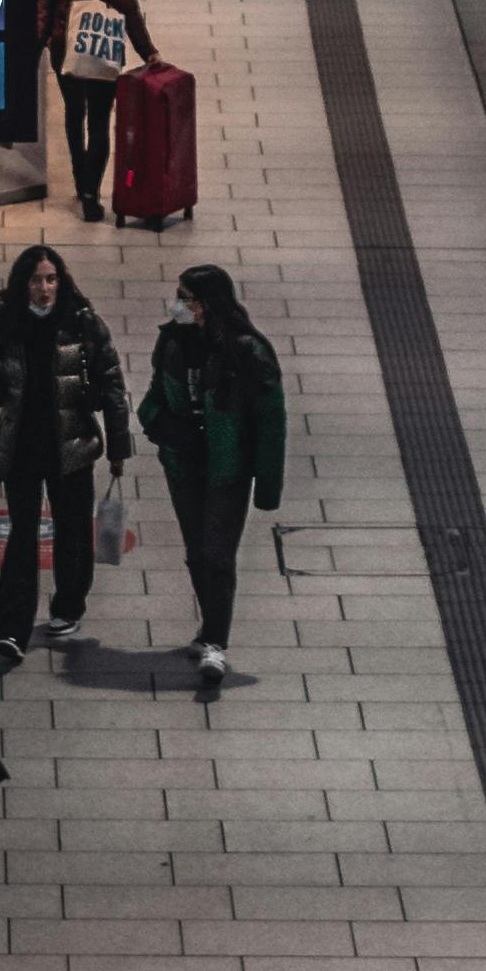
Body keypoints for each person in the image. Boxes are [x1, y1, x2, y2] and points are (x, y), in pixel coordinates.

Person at [0, 243, 130, 676]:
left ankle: (68, 604)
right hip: (23, 447)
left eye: (51, 279)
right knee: (22, 536)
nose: (44, 288)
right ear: (22, 284)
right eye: (35, 280)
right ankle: (12, 630)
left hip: (72, 446)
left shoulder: (83, 322)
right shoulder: (3, 321)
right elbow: (4, 388)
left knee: (72, 534)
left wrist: (120, 448)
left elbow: (112, 384)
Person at [137, 264, 288, 695]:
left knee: (218, 554)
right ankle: (209, 629)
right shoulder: (171, 341)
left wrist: (268, 487)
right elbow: (152, 398)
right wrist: (158, 425)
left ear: (207, 304)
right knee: (196, 553)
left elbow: (270, 423)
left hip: (228, 469)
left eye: (186, 298)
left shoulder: (247, 351)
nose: (178, 304)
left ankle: (216, 644)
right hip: (183, 465)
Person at [37, 0, 157, 221]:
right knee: (100, 121)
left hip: (65, 48)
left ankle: (80, 182)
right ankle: (91, 194)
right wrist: (147, 50)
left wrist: (38, 45)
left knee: (74, 114)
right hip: (101, 45)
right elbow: (127, 5)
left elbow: (43, 9)